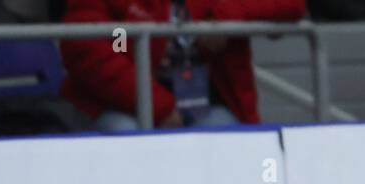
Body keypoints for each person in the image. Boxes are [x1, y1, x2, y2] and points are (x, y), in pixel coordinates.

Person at [59, 0, 304, 131]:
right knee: (128, 134)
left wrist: (228, 12)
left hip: (202, 105)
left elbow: (292, 5)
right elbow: (89, 47)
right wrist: (157, 105)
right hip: (122, 103)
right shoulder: (120, 34)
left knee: (226, 135)